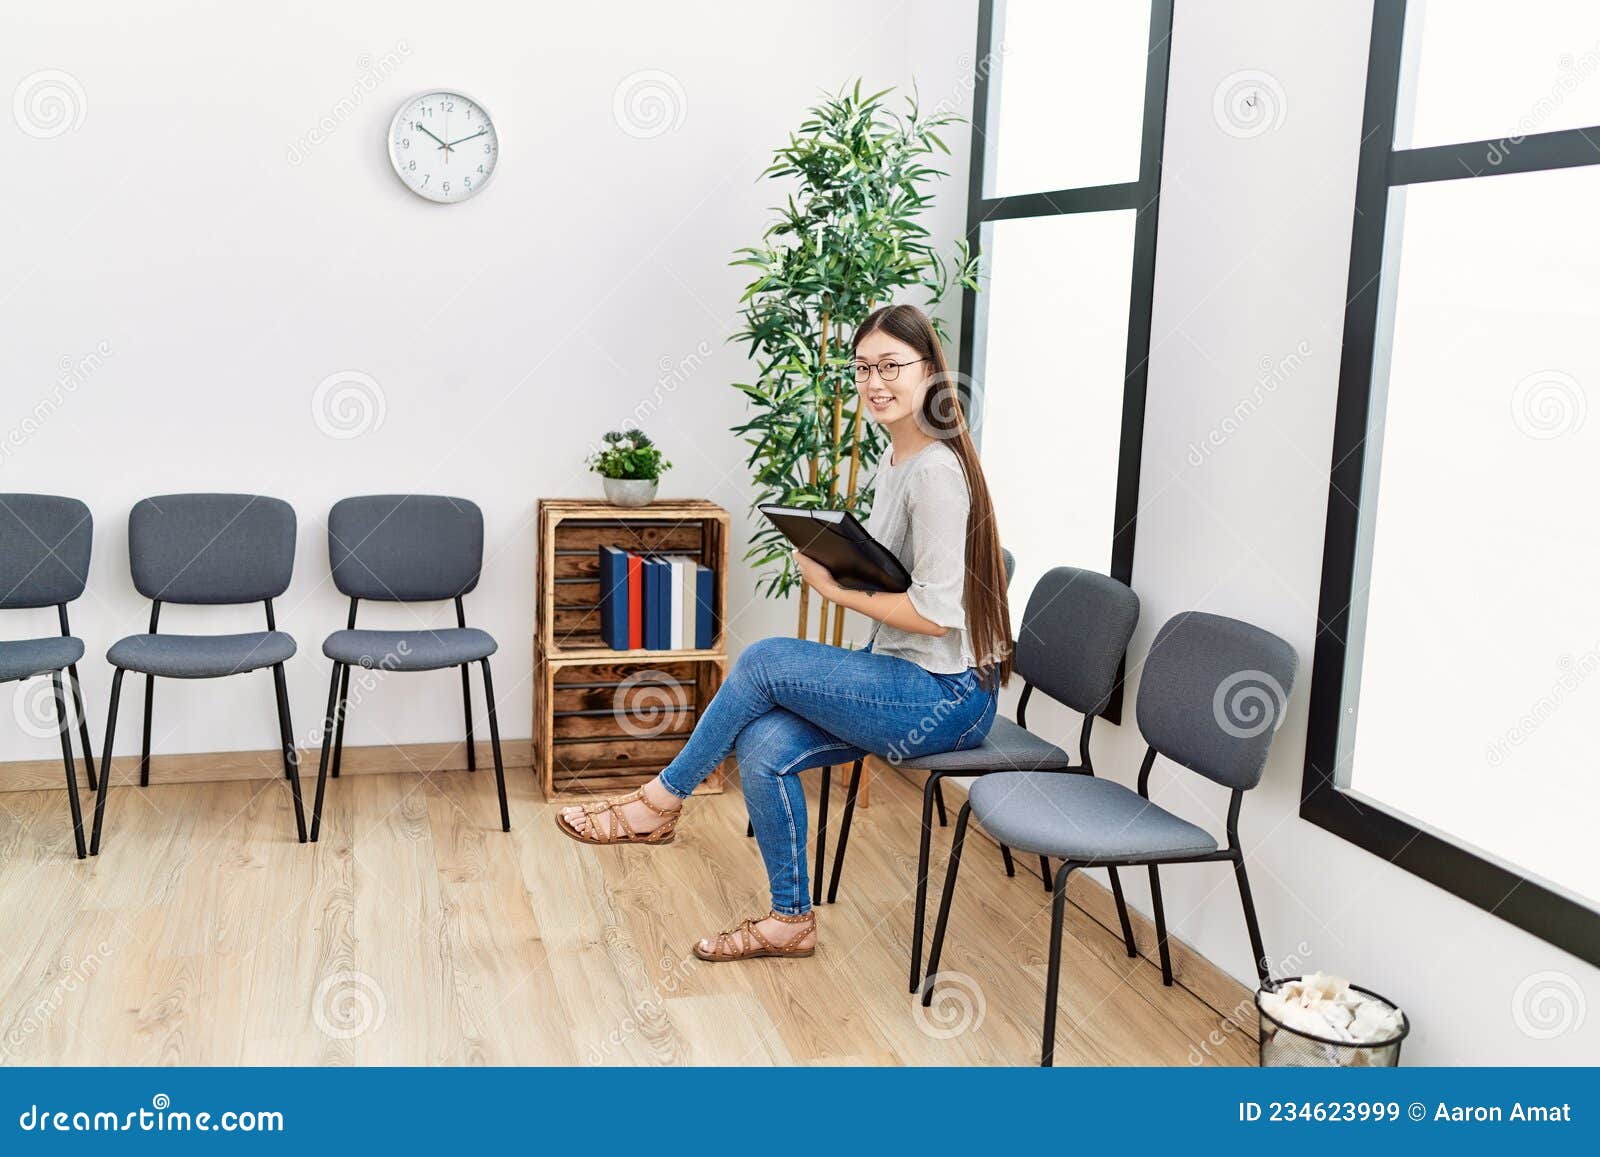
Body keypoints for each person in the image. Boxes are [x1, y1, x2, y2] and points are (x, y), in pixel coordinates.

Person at [557, 303, 1011, 962]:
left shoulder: (937, 474)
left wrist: (834, 587)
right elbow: (896, 576)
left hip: (946, 697)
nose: (874, 382)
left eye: (891, 366)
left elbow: (937, 615)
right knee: (764, 741)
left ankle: (660, 800)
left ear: (929, 372)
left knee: (767, 658)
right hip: (904, 676)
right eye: (862, 368)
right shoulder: (896, 459)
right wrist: (840, 553)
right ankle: (790, 920)